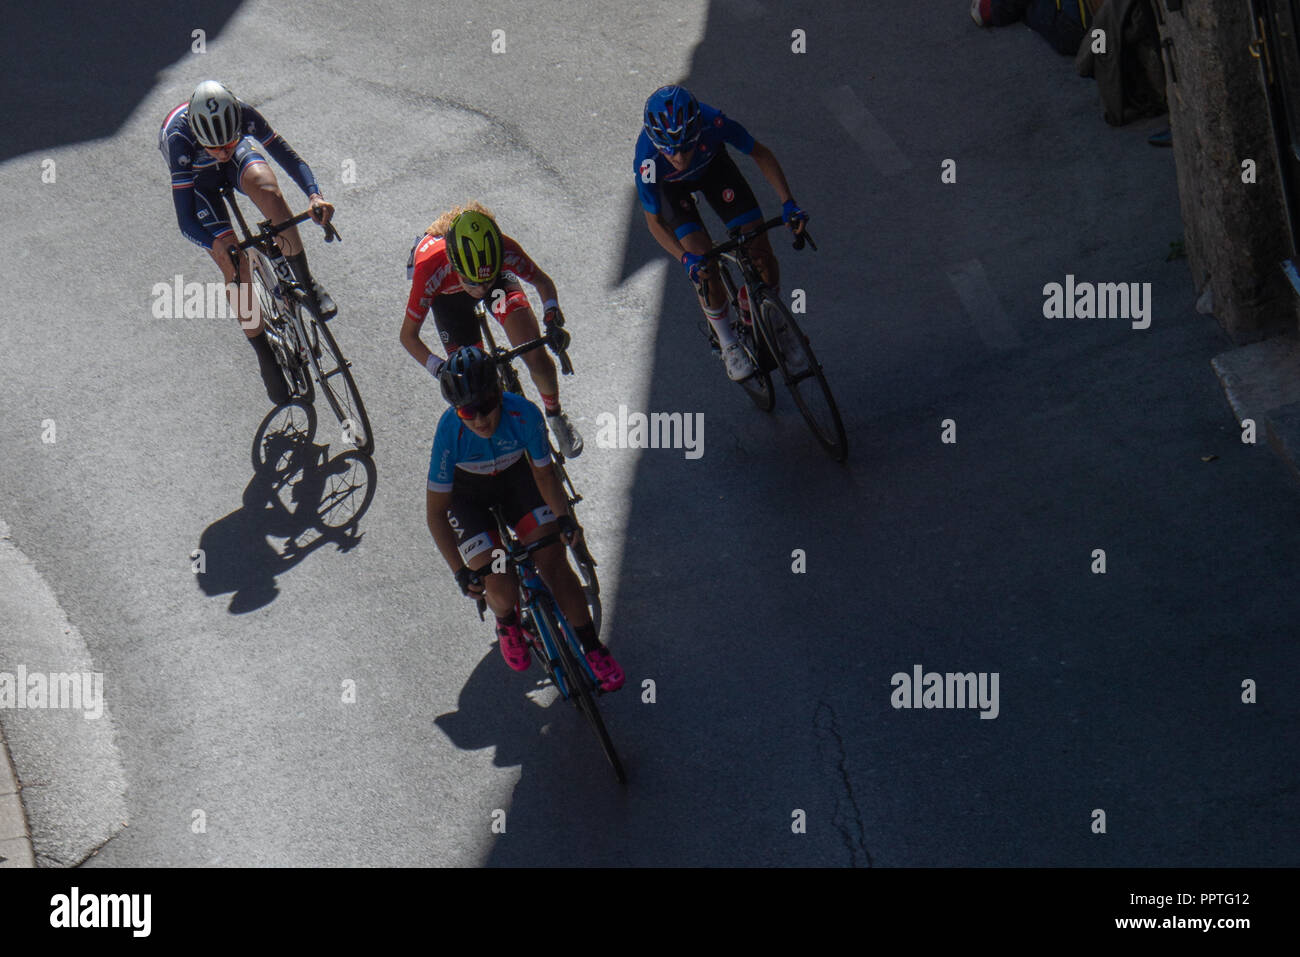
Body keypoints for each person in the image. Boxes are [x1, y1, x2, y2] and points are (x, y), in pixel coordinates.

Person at [425, 347, 624, 691]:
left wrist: (564, 519)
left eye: (486, 406)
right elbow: (436, 513)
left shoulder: (524, 414)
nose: (479, 419)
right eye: (466, 411)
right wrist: (460, 570)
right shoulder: (448, 433)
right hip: (468, 499)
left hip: (518, 484)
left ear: (498, 395)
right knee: (499, 584)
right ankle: (507, 621)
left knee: (555, 565)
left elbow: (545, 476)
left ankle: (593, 648)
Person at [158, 79, 336, 405]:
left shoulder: (242, 114)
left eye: (229, 142)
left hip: (235, 166)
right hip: (200, 182)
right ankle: (264, 352)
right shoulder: (180, 139)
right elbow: (186, 220)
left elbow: (288, 157)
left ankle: (304, 279)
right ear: (199, 135)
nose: (224, 153)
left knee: (269, 191)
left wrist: (315, 196)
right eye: (216, 148)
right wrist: (217, 245)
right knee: (234, 263)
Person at [635, 84, 809, 380]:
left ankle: (778, 325)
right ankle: (728, 343)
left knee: (760, 250)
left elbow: (761, 154)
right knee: (703, 264)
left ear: (697, 133)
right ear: (656, 144)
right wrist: (684, 258)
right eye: (669, 151)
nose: (678, 158)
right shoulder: (647, 161)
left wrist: (788, 202)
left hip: (714, 169)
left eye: (685, 146)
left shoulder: (712, 122)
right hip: (671, 191)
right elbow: (655, 222)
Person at [401, 203, 583, 457]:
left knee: (537, 357)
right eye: (472, 282)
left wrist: (551, 318)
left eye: (486, 280)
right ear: (454, 265)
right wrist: (439, 369)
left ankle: (555, 415)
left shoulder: (503, 248)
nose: (481, 289)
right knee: (472, 388)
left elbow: (542, 282)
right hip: (451, 302)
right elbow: (408, 337)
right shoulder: (430, 268)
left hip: (501, 288)